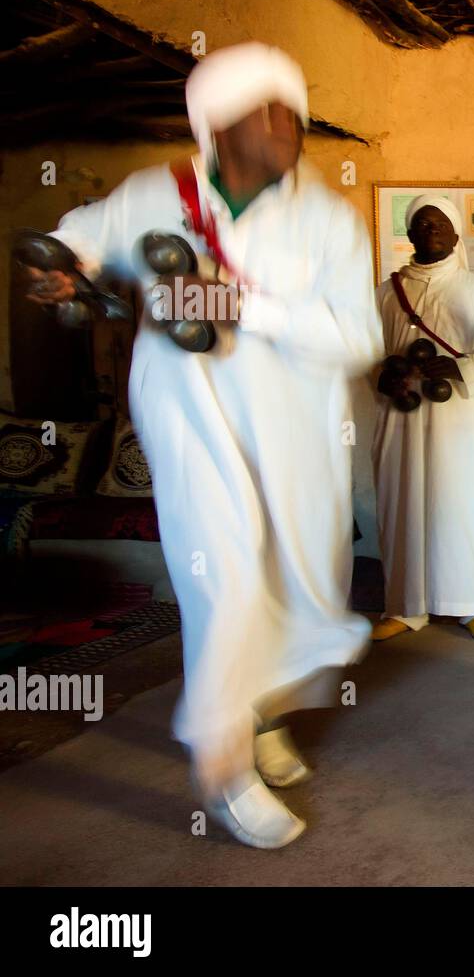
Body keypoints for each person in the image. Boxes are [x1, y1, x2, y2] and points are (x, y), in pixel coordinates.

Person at [22, 42, 384, 848]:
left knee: (298, 581)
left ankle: (256, 717)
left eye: (291, 108)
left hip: (298, 430)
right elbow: (86, 236)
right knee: (222, 570)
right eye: (265, 108)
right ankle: (224, 771)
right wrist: (65, 267)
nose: (286, 123)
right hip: (191, 414)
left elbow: (357, 340)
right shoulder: (157, 192)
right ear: (216, 124)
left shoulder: (329, 219)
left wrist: (240, 306)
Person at [370, 196, 474, 643]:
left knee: (462, 506)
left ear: (456, 236)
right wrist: (382, 378)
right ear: (410, 235)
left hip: (458, 419)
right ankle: (403, 606)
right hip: (400, 420)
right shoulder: (385, 292)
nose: (431, 229)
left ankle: (473, 604)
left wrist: (461, 368)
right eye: (421, 224)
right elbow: (362, 351)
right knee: (402, 506)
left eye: (440, 224)